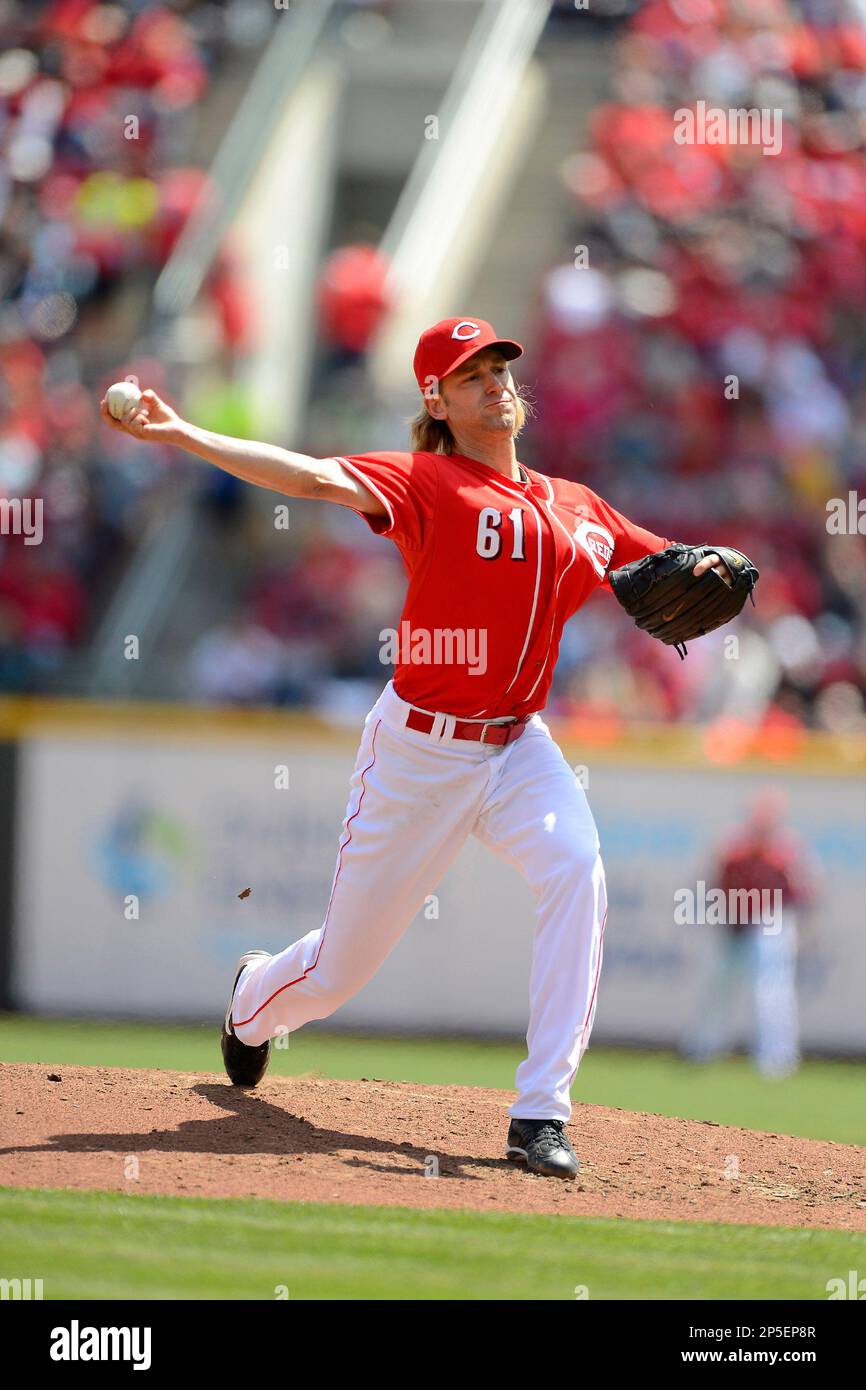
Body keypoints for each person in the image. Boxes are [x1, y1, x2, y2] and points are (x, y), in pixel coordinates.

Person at [101, 315, 735, 1179]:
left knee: (577, 869)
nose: (496, 384)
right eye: (471, 375)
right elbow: (313, 476)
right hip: (420, 755)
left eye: (501, 368)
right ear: (435, 398)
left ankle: (540, 1113)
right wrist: (181, 432)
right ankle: (252, 1002)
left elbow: (675, 565)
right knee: (336, 974)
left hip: (520, 748)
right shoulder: (427, 483)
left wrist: (711, 569)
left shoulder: (579, 507)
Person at [681, 789, 821, 1079]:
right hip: (735, 922)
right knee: (718, 986)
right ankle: (703, 1048)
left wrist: (804, 926)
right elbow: (714, 880)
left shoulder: (788, 848)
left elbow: (806, 890)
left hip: (770, 922)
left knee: (772, 991)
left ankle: (777, 1058)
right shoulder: (733, 844)